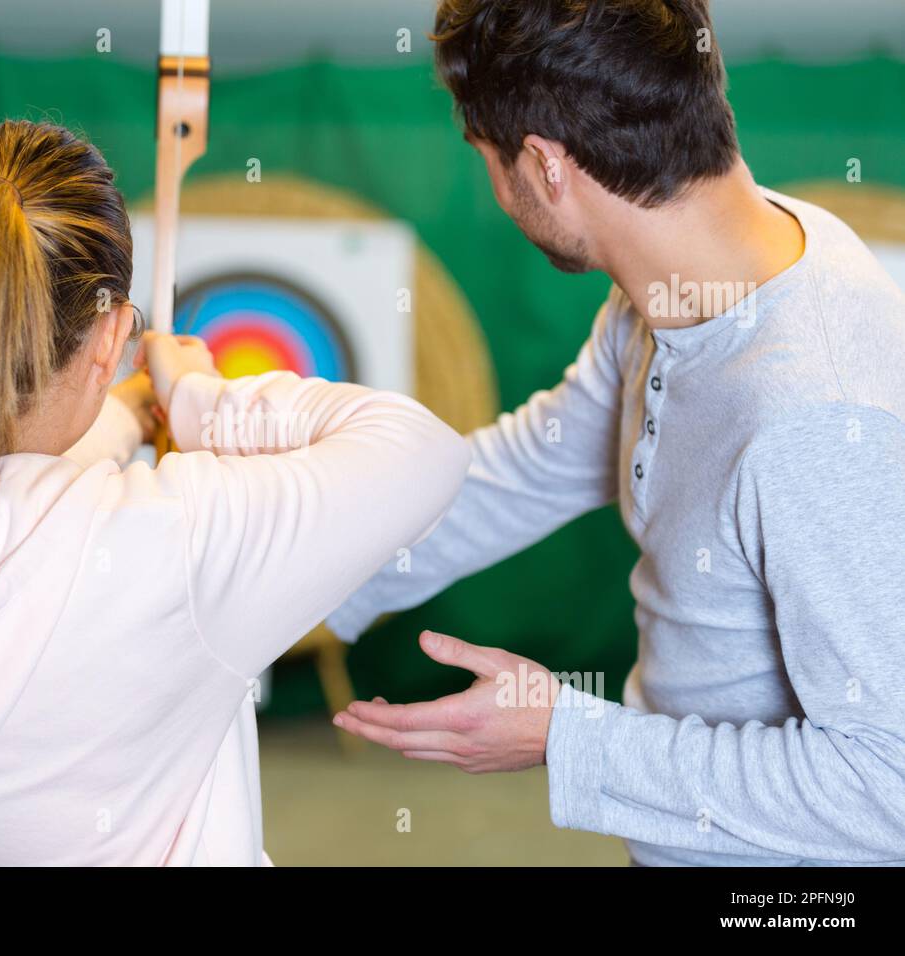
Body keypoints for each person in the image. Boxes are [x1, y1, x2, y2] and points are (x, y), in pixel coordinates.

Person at [0, 119, 470, 865]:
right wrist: (200, 399)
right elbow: (425, 454)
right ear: (107, 339)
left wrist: (124, 411)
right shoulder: (167, 545)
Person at [329, 0, 905, 866]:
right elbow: (534, 468)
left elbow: (885, 791)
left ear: (546, 165)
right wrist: (282, 573)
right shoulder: (682, 277)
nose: (495, 187)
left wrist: (566, 733)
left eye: (489, 159)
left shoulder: (814, 417)